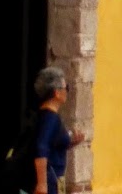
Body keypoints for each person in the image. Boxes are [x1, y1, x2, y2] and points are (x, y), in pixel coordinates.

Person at [30, 66, 86, 194]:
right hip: (49, 182)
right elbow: (41, 148)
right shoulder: (50, 118)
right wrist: (42, 184)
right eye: (66, 88)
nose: (67, 91)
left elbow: (51, 145)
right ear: (57, 92)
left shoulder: (43, 115)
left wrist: (71, 142)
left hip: (53, 179)